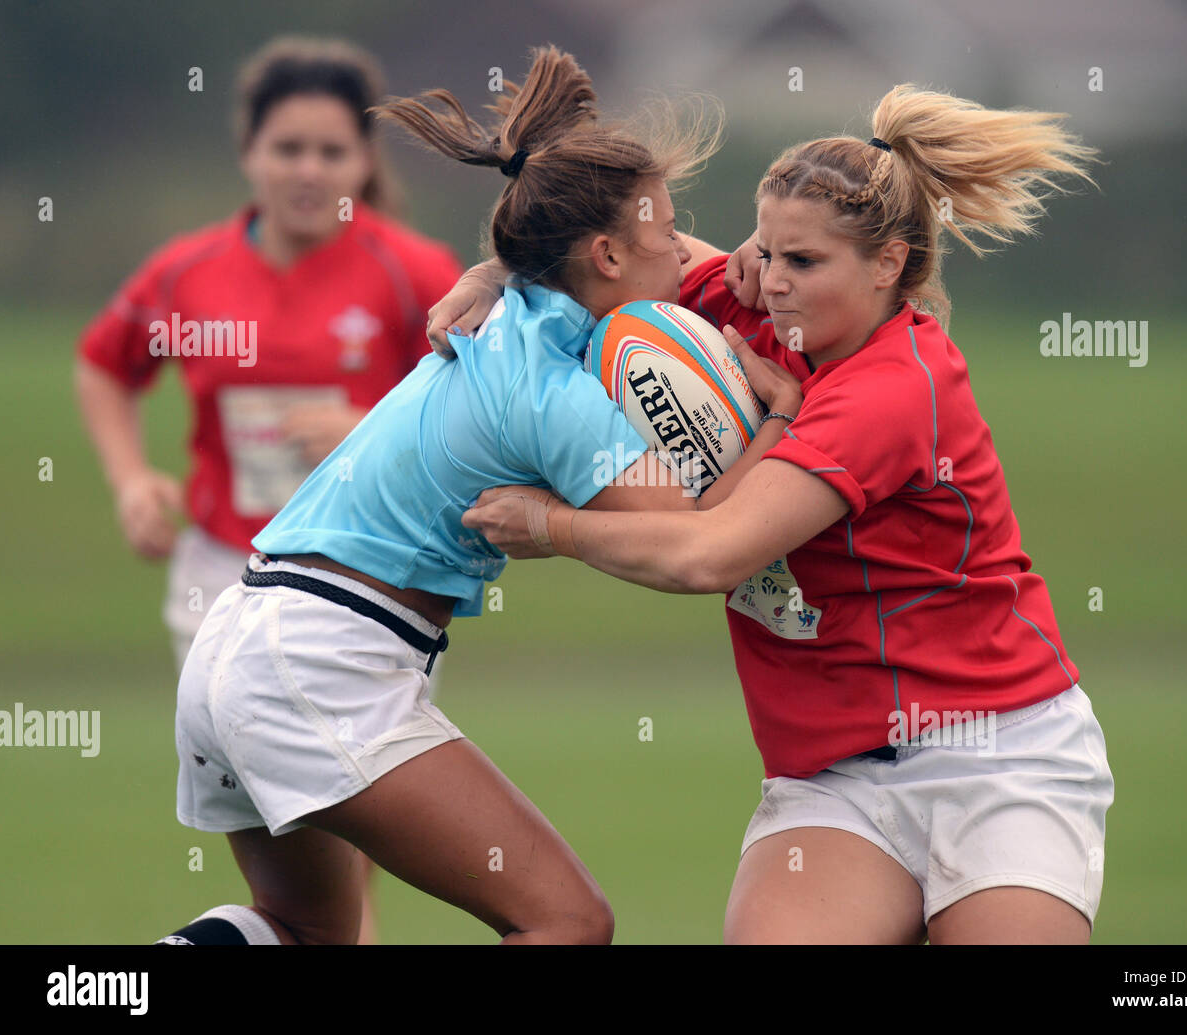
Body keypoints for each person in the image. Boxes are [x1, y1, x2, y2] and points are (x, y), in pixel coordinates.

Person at [153, 46, 800, 946]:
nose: (683, 247)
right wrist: (779, 420)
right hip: (321, 658)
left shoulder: (516, 308)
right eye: (667, 230)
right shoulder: (555, 396)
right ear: (607, 253)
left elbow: (572, 268)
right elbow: (698, 544)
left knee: (299, 932)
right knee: (568, 921)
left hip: (239, 635)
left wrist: (490, 270)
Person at [462, 84, 1116, 944]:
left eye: (802, 262)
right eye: (763, 251)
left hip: (998, 756)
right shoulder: (753, 309)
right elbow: (608, 251)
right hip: (834, 779)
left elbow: (711, 557)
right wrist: (497, 272)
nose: (770, 282)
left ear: (888, 265)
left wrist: (552, 527)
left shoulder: (893, 385)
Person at [75, 35, 465, 944]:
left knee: (348, 808)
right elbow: (104, 365)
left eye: (331, 150)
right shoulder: (187, 274)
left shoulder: (415, 273)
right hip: (222, 577)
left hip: (374, 582)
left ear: (365, 163)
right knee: (282, 814)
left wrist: (368, 426)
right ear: (247, 151)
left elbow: (477, 409)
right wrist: (131, 478)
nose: (307, 168)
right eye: (287, 147)